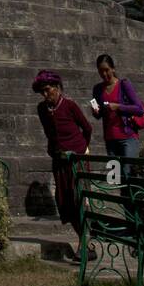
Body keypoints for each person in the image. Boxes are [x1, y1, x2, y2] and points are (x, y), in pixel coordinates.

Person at [32, 69, 92, 258]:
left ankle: (85, 244)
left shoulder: (70, 105)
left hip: (77, 159)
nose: (45, 94)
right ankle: (85, 243)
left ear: (57, 88)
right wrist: (54, 149)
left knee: (79, 199)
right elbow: (49, 132)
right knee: (64, 201)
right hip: (59, 159)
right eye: (42, 91)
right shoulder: (42, 109)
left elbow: (87, 128)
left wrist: (81, 148)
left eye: (48, 89)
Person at [91, 53, 143, 181]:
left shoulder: (124, 85)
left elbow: (139, 109)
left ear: (113, 69)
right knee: (116, 178)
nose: (104, 74)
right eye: (101, 71)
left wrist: (118, 106)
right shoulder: (97, 89)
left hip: (127, 138)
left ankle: (132, 200)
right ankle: (122, 201)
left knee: (128, 176)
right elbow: (99, 115)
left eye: (107, 70)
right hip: (110, 140)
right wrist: (96, 111)